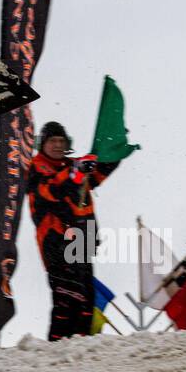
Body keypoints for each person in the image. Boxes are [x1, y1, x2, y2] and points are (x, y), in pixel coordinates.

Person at [29, 121, 120, 341]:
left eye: (61, 141)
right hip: (57, 239)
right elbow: (50, 192)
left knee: (86, 299)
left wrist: (113, 145)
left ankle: (81, 345)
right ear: (43, 144)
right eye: (53, 141)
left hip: (83, 237)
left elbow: (97, 174)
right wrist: (75, 174)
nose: (57, 145)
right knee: (66, 297)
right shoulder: (36, 166)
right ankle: (56, 348)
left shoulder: (75, 165)